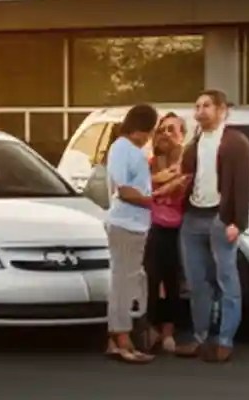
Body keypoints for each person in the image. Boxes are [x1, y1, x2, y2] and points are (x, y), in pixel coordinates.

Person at [176, 90, 249, 363]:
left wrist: (238, 222)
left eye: (206, 105)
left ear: (222, 110)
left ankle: (224, 339)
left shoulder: (236, 142)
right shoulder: (196, 142)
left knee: (226, 279)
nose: (200, 110)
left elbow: (244, 185)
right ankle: (200, 336)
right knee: (197, 281)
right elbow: (185, 174)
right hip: (193, 216)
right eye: (197, 106)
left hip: (219, 218)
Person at [104, 103, 159, 364]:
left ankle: (118, 335)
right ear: (142, 129)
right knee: (123, 283)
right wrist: (154, 200)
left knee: (128, 280)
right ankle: (121, 337)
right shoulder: (123, 148)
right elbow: (124, 190)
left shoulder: (129, 149)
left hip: (134, 225)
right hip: (127, 224)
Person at [143, 112, 192, 353]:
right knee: (150, 280)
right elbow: (140, 187)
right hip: (151, 228)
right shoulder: (149, 164)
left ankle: (169, 332)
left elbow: (183, 183)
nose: (165, 135)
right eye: (162, 130)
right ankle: (150, 329)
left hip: (177, 230)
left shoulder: (188, 164)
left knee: (172, 281)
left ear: (182, 136)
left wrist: (159, 188)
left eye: (172, 130)